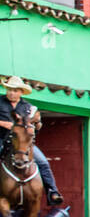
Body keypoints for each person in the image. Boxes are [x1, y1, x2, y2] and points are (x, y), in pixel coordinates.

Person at [0, 76, 62, 206]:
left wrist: (37, 126)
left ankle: (52, 192)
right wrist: (4, 124)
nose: (12, 92)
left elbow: (33, 127)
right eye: (10, 89)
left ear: (21, 92)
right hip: (1, 138)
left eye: (16, 90)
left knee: (43, 162)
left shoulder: (28, 107)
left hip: (21, 143)